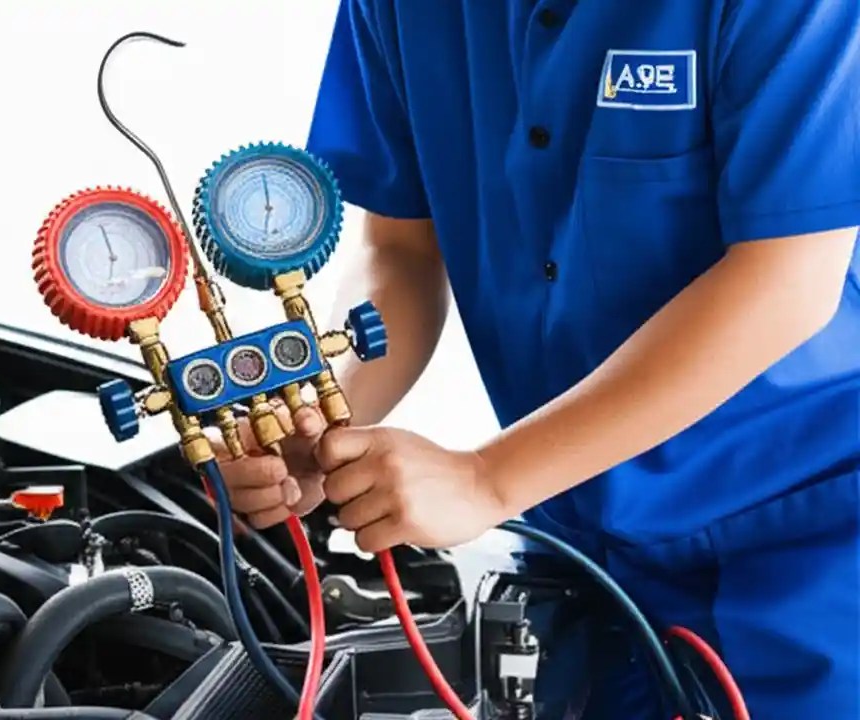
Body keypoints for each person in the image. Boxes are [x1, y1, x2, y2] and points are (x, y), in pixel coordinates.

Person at [215, 2, 860, 717]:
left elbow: (788, 281)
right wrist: (322, 415)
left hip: (812, 534)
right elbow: (399, 250)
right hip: (575, 533)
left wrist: (488, 479)